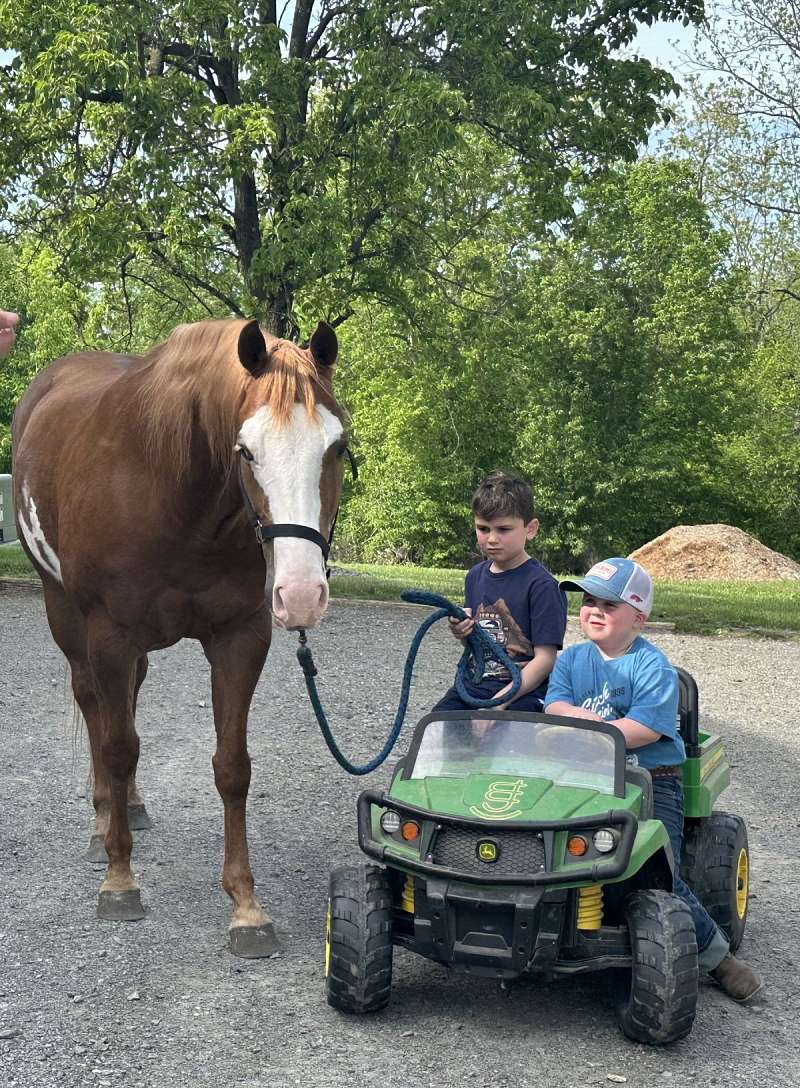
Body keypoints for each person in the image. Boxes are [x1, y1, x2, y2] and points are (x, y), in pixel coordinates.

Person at [544, 556, 764, 1003]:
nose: (595, 610)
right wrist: (573, 717)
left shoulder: (651, 667)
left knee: (657, 868)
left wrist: (593, 730)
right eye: (588, 601)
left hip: (650, 778)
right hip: (583, 773)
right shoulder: (572, 660)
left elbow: (645, 727)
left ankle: (718, 958)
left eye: (610, 604)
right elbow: (554, 706)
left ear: (638, 618)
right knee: (550, 843)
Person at [433, 471, 567, 716]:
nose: (492, 539)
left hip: (523, 691)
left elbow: (545, 659)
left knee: (506, 738)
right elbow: (476, 642)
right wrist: (462, 631)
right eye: (483, 529)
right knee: (437, 728)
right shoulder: (474, 576)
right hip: (474, 683)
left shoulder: (543, 586)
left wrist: (499, 702)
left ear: (531, 529)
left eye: (503, 529)